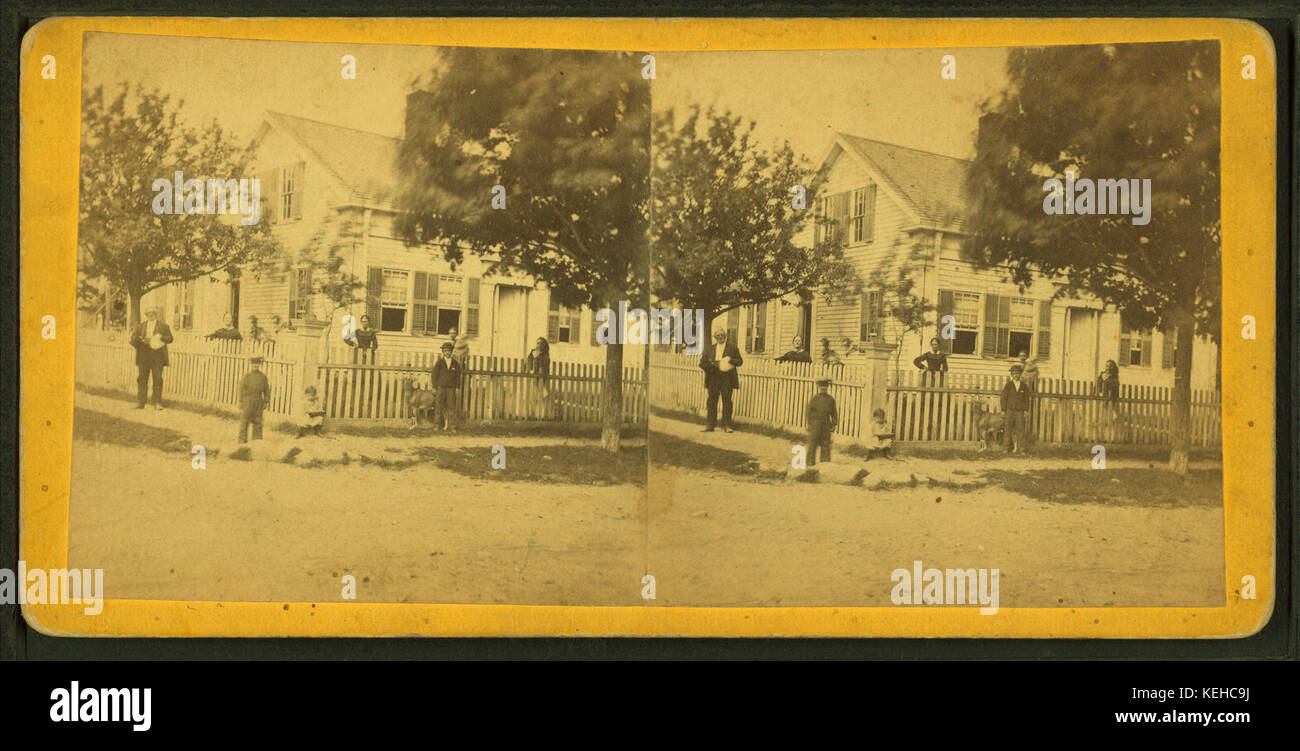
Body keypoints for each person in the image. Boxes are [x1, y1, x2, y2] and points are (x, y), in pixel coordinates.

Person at [699, 329, 743, 433]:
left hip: (726, 378)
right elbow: (702, 362)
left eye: (722, 335)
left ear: (725, 336)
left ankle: (726, 425)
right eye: (718, 336)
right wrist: (710, 367)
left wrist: (730, 360)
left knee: (727, 401)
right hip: (713, 377)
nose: (720, 337)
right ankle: (710, 425)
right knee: (711, 401)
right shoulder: (709, 349)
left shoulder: (733, 349)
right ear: (715, 337)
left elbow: (740, 361)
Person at [130, 307, 173, 410]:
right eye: (149, 313)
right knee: (142, 378)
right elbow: (133, 340)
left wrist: (159, 338)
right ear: (146, 315)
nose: (151, 315)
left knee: (157, 378)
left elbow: (170, 338)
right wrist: (140, 340)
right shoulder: (140, 326)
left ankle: (157, 402)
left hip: (157, 355)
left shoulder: (163, 326)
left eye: (153, 313)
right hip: (144, 354)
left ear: (156, 314)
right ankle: (141, 402)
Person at [1000, 363, 1033, 453]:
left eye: (1017, 373)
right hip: (1009, 410)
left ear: (1020, 374)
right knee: (1007, 429)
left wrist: (1026, 410)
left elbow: (1026, 399)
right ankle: (1006, 448)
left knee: (1020, 429)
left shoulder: (1024, 386)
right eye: (1014, 373)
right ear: (1012, 375)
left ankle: (1021, 449)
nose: (1016, 375)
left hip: (1020, 411)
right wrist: (1003, 410)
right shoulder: (1008, 385)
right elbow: (1003, 398)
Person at [430, 341, 463, 431]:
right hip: (441, 387)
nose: (447, 352)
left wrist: (457, 387)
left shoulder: (455, 364)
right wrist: (434, 387)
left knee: (451, 407)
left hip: (451, 389)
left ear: (451, 351)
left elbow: (458, 377)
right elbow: (434, 375)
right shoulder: (439, 363)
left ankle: (452, 426)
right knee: (438, 406)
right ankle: (436, 425)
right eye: (445, 351)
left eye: (449, 350)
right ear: (443, 352)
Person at [804, 377, 838, 466]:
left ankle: (825, 462)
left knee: (826, 443)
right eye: (822, 386)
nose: (823, 388)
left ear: (827, 388)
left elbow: (834, 412)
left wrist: (834, 423)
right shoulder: (815, 399)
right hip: (815, 423)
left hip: (826, 423)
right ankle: (810, 462)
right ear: (819, 387)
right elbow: (808, 411)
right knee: (813, 442)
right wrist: (809, 423)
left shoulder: (831, 399)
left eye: (825, 387)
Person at [237, 355, 271, 443]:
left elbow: (266, 389)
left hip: (259, 401)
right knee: (244, 421)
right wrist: (241, 401)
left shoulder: (263, 377)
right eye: (254, 364)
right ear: (251, 365)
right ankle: (242, 441)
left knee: (258, 421)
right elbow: (241, 389)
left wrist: (266, 401)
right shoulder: (247, 376)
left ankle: (257, 441)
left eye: (257, 365)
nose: (255, 366)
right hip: (247, 401)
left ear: (259, 365)